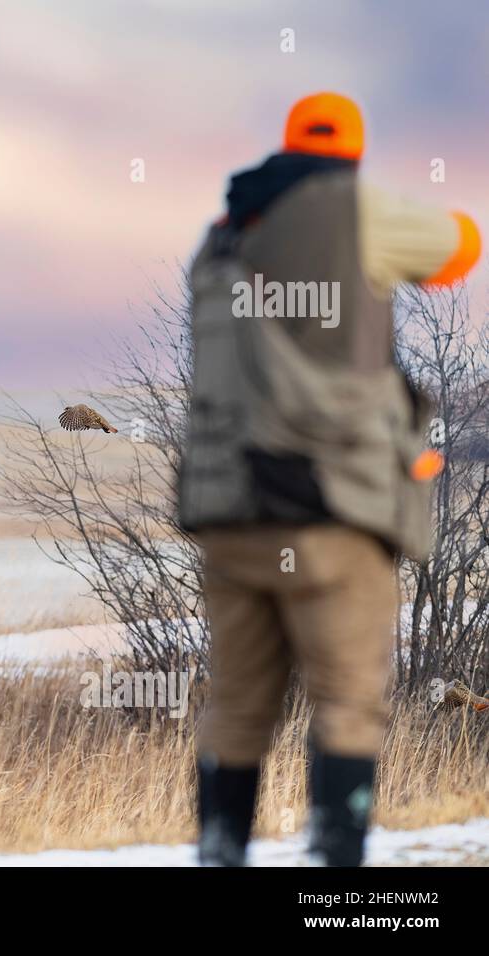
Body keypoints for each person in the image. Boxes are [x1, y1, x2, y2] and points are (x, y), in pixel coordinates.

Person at [177, 92, 481, 866]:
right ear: (350, 151)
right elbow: (459, 249)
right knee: (348, 701)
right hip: (326, 506)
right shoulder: (353, 208)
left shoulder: (219, 237)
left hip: (224, 513)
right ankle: (338, 879)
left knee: (238, 704)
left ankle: (218, 853)